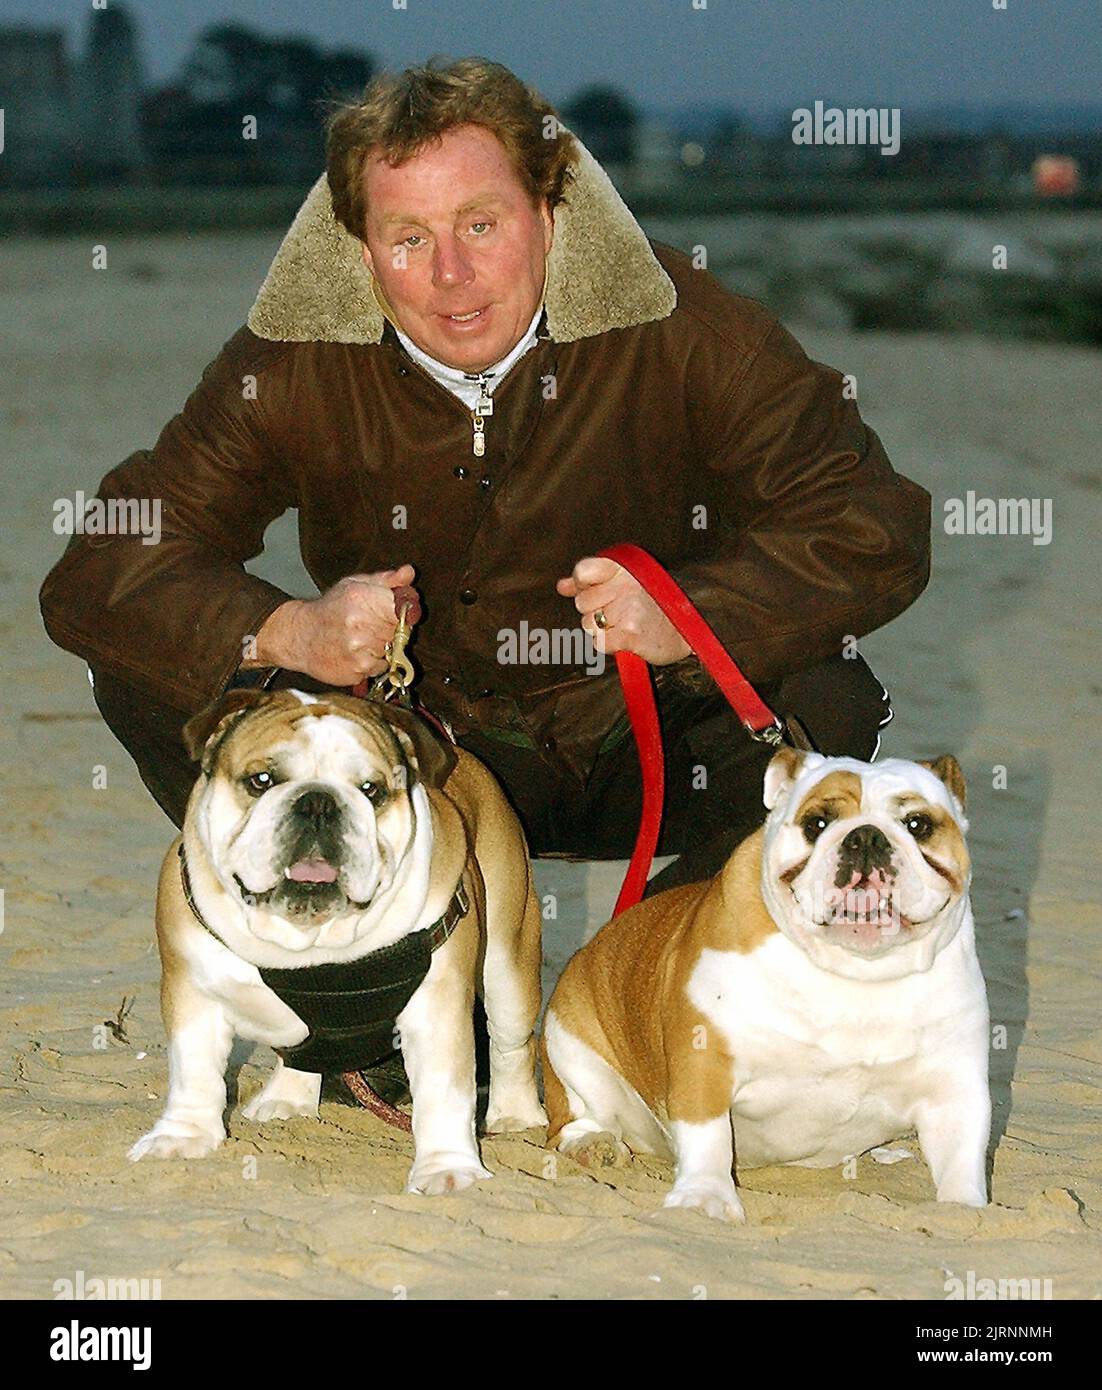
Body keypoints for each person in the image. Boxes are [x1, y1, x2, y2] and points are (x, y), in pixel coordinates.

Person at [39, 57, 930, 897]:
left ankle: (664, 971)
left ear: (547, 216)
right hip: (419, 755)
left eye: (480, 224)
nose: (451, 275)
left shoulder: (687, 329)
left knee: (826, 691)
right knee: (145, 661)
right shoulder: (290, 361)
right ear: (360, 252)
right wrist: (287, 630)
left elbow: (875, 522)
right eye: (409, 238)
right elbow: (107, 558)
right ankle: (357, 1017)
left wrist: (693, 617)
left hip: (645, 732)